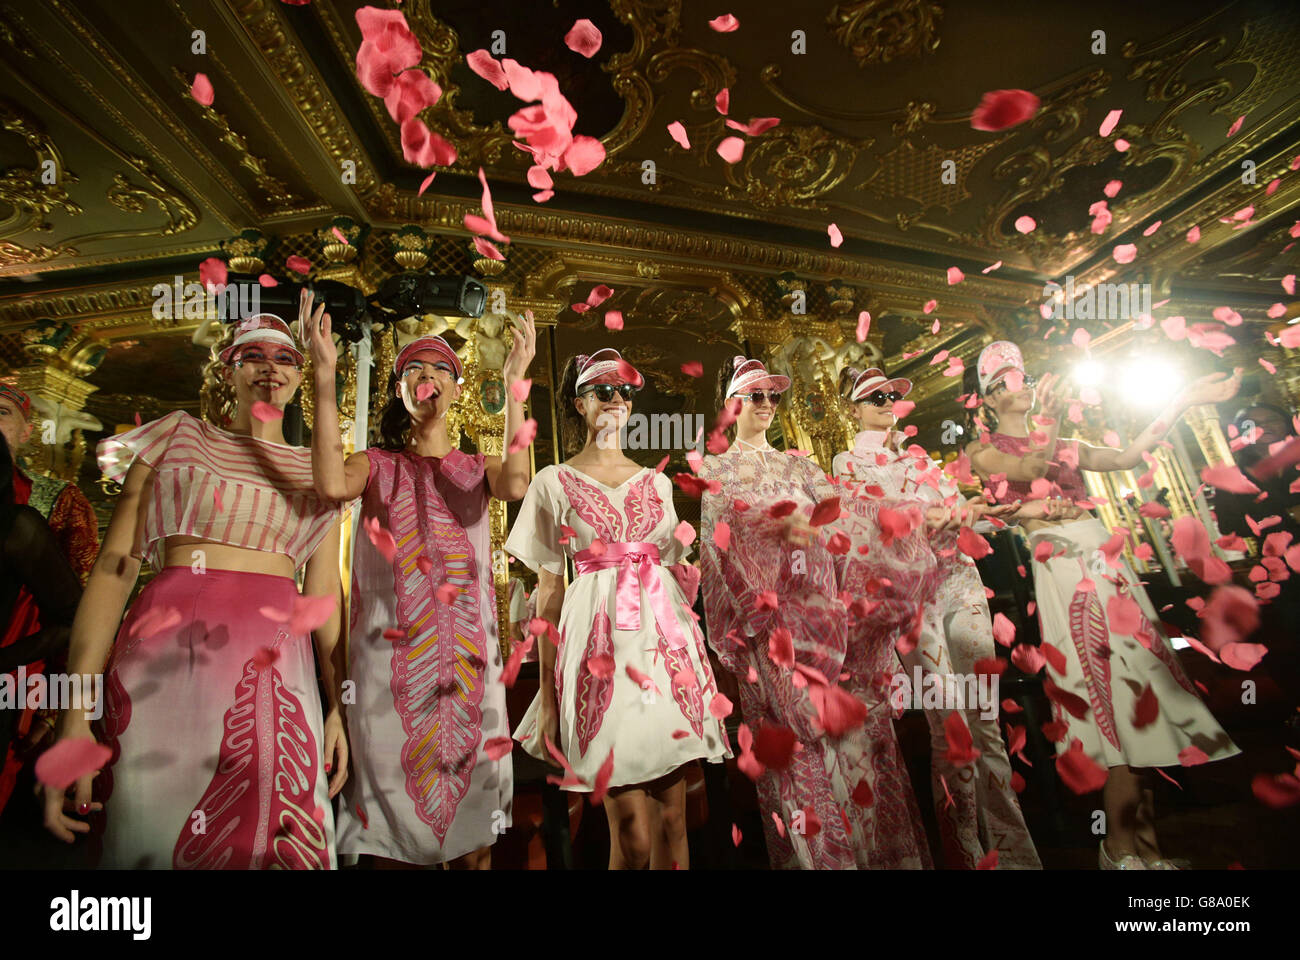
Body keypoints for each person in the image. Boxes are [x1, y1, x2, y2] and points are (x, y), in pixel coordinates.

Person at [41, 313, 349, 869]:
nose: (269, 368)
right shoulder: (176, 437)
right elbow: (113, 571)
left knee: (276, 838)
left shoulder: (318, 473)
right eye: (253, 355)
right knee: (150, 831)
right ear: (225, 371)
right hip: (160, 673)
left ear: (304, 376)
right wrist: (74, 715)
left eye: (286, 358)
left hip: (278, 684)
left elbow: (324, 599)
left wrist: (337, 710)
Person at [965, 340, 1243, 870]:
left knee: (1141, 682)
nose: (1020, 384)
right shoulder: (984, 450)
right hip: (1064, 567)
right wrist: (1045, 421)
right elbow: (1029, 462)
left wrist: (1182, 398)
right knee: (1104, 697)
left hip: (1105, 556)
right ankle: (1116, 850)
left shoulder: (1063, 439)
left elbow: (1126, 456)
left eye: (1022, 373)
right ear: (992, 396)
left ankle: (1148, 852)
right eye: (1007, 378)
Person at [306, 291, 535, 870]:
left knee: (474, 850)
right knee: (392, 845)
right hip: (386, 680)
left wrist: (515, 381)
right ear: (400, 389)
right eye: (415, 369)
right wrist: (325, 376)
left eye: (440, 369)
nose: (428, 378)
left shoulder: (476, 468)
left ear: (456, 391)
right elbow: (331, 484)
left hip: (467, 672)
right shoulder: (375, 464)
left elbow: (515, 483)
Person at [698, 356, 951, 869]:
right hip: (767, 630)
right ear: (732, 404)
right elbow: (713, 554)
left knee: (854, 748)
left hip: (828, 623)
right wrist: (742, 630)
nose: (767, 405)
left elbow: (846, 534)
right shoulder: (716, 471)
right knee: (799, 754)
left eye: (773, 395)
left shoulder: (803, 466)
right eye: (755, 395)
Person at [506, 348, 728, 870]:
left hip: (661, 657)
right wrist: (549, 698)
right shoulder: (552, 481)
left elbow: (676, 573)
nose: (618, 401)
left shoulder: (656, 483)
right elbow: (549, 591)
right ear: (579, 403)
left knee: (674, 822)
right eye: (604, 390)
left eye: (626, 392)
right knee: (631, 833)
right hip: (598, 661)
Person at [833, 366, 1064, 869]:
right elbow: (876, 527)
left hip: (959, 585)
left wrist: (994, 511)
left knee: (986, 727)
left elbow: (960, 511)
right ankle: (966, 855)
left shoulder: (919, 460)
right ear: (852, 405)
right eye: (872, 394)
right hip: (911, 600)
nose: (885, 399)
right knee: (951, 727)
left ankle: (1019, 858)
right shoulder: (847, 462)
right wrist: (928, 516)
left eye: (891, 393)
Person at [0, 384, 99, 815]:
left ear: (27, 432)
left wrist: (60, 714)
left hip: (20, 692)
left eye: (2, 412)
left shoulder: (57, 501)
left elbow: (84, 612)